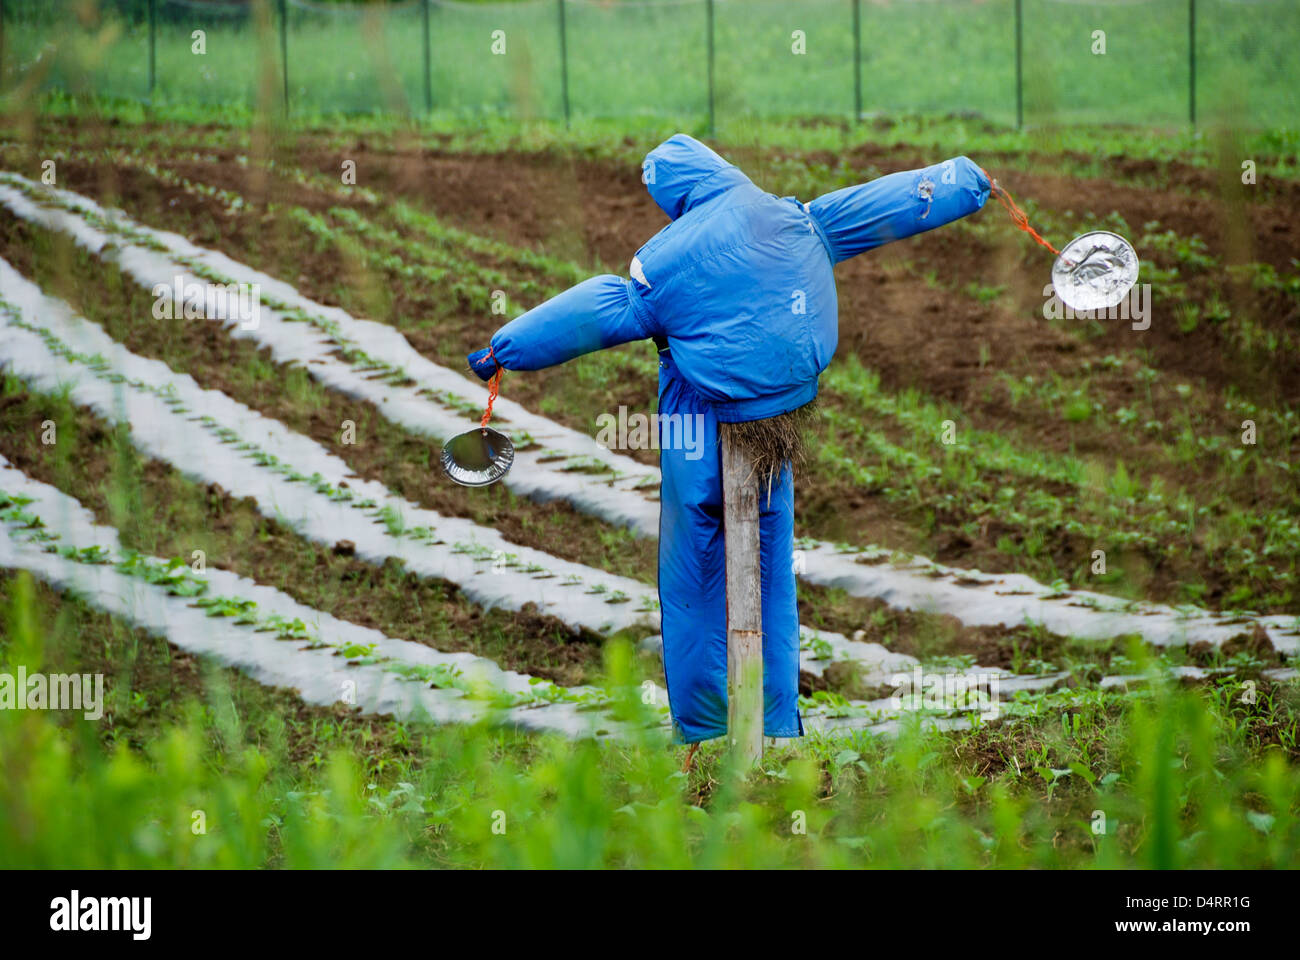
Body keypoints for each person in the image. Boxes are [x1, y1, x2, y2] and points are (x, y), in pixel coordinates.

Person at [466, 133, 989, 748]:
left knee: (691, 574)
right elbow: (888, 202)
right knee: (771, 571)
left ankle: (709, 733)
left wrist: (504, 350)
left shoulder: (661, 264)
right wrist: (969, 182)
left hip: (700, 424)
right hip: (781, 417)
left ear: (675, 196)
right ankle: (773, 724)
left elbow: (594, 311)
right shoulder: (795, 217)